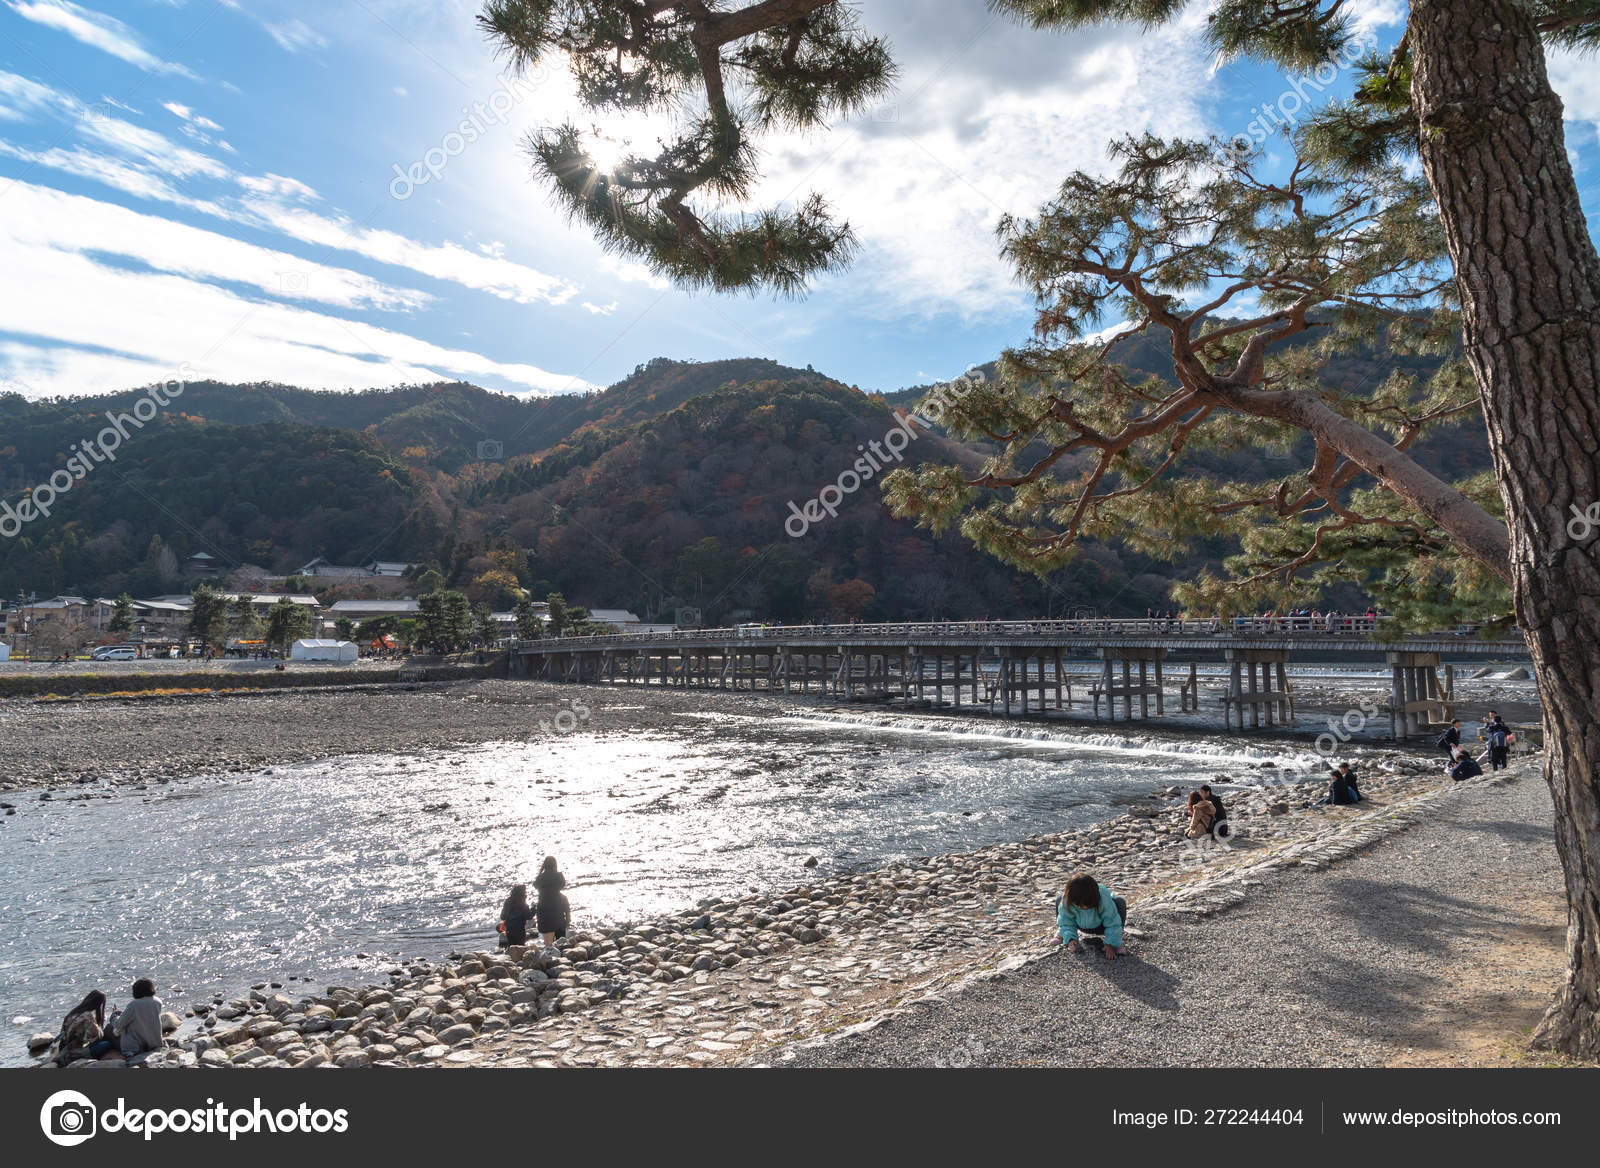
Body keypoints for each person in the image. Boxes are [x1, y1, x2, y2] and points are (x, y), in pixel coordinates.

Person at [1056, 873, 1127, 961]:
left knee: (1120, 902)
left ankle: (1117, 942)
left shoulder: (1103, 899)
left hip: (1101, 927)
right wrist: (1070, 939)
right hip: (1079, 925)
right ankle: (1063, 934)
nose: (1084, 907)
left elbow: (1113, 922)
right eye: (1079, 905)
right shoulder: (1068, 899)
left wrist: (1111, 944)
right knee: (1059, 900)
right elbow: (1065, 920)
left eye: (1087, 904)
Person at [49, 990, 109, 1065]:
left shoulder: (74, 1012)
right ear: (99, 1004)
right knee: (106, 1044)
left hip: (62, 1048)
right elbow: (95, 1038)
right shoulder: (87, 1016)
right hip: (71, 1053)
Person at [111, 978, 164, 1060]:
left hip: (135, 1048)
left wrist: (114, 1014)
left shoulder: (134, 1005)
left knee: (109, 1030)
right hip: (154, 1043)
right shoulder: (157, 1001)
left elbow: (119, 1024)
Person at [534, 856, 570, 954]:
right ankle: (562, 957)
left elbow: (535, 885)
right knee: (560, 939)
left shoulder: (540, 877)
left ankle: (549, 957)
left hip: (543, 906)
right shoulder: (559, 876)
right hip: (557, 905)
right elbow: (562, 885)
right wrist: (568, 921)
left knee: (548, 941)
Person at [499, 883, 536, 948]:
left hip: (509, 930)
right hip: (520, 930)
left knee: (511, 947)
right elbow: (529, 916)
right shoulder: (522, 903)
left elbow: (502, 917)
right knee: (520, 948)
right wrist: (534, 908)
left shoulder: (508, 901)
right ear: (523, 893)